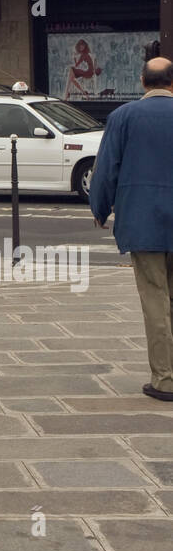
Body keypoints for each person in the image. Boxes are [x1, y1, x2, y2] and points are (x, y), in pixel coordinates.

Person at [89, 57, 173, 401]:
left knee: (155, 297)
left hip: (144, 221)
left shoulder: (123, 117)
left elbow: (106, 167)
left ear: (142, 81)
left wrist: (100, 206)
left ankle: (166, 379)